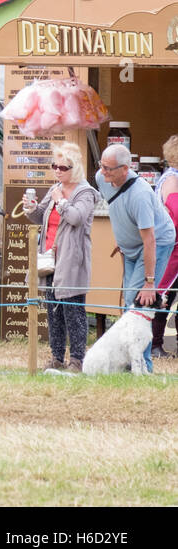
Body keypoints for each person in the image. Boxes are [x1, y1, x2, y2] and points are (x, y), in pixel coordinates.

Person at [96, 142, 175, 374]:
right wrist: (122, 237)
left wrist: (150, 282)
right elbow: (117, 208)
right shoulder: (103, 178)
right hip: (130, 247)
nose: (104, 172)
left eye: (109, 168)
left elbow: (150, 238)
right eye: (102, 166)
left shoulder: (140, 193)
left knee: (139, 300)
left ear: (125, 168)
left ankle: (143, 367)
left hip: (156, 244)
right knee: (128, 302)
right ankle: (126, 362)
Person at [24, 143, 97, 373]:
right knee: (53, 310)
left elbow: (76, 217)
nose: (57, 170)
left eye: (62, 167)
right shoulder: (56, 187)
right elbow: (39, 216)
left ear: (73, 168)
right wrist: (30, 207)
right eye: (54, 166)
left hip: (71, 259)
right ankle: (56, 357)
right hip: (49, 258)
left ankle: (77, 360)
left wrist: (61, 201)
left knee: (73, 311)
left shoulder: (85, 192)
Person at [152, 134, 178, 359]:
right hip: (172, 247)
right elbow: (175, 212)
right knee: (163, 294)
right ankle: (155, 344)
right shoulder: (172, 179)